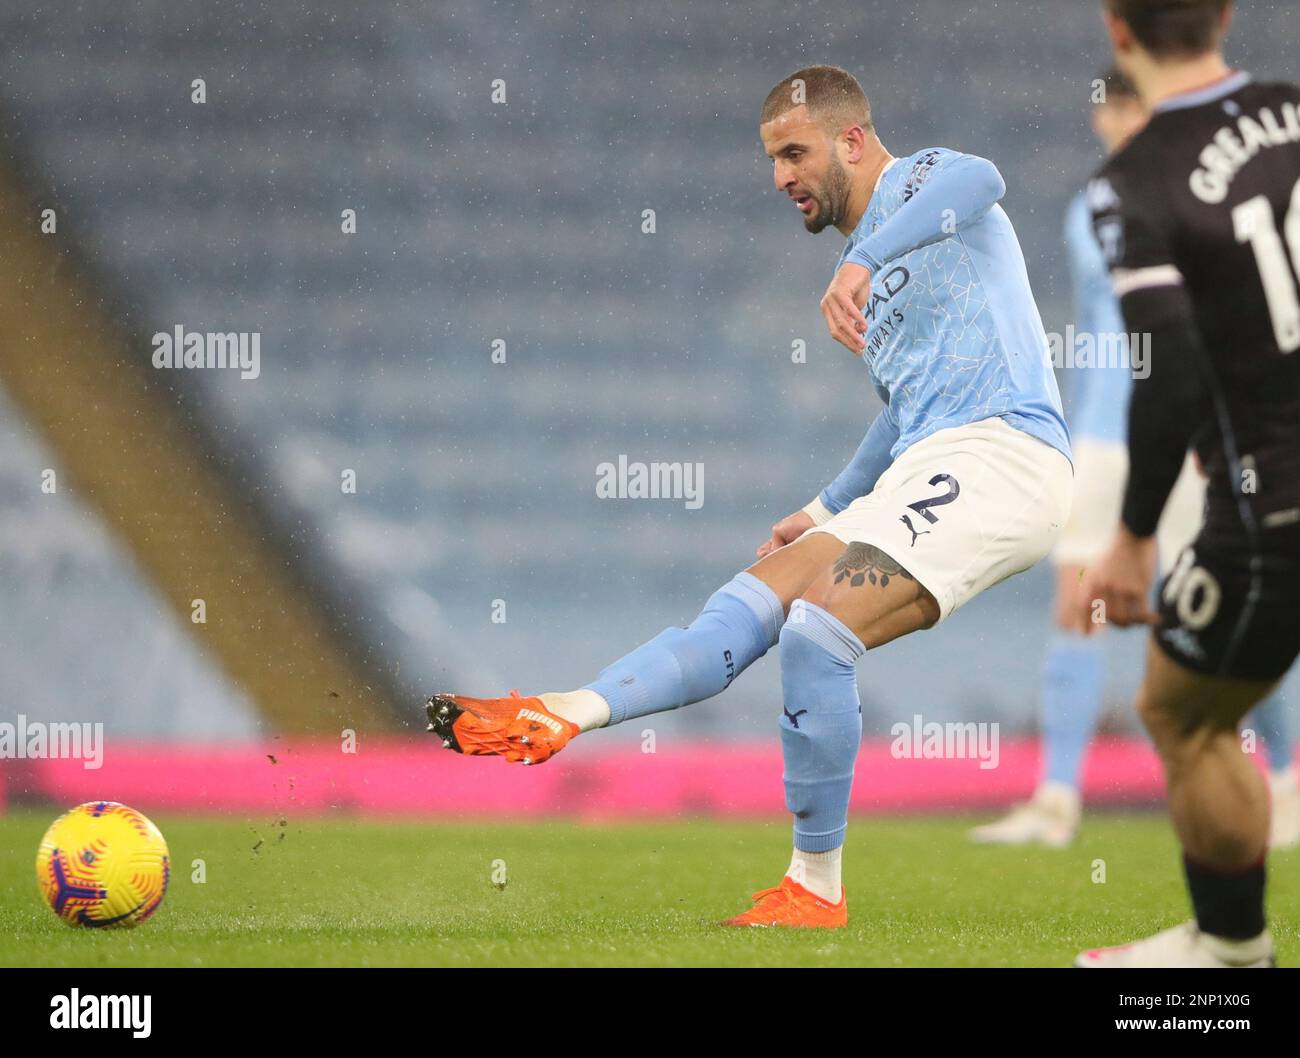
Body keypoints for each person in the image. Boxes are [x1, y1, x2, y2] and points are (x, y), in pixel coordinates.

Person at [428, 64, 1072, 928]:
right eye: (772, 161)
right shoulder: (859, 274)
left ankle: (815, 888)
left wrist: (869, 259)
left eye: (795, 154)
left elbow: (986, 179)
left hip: (1007, 452)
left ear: (852, 140)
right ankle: (566, 710)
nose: (781, 179)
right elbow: (903, 415)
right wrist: (824, 506)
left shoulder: (922, 183)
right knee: (744, 605)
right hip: (931, 459)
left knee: (819, 634)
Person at [1077, 0, 1300, 967]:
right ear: (1226, 12)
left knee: (1184, 711)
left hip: (1275, 499)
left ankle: (1231, 953)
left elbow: (1163, 374)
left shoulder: (1137, 179)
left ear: (1116, 27)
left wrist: (1130, 539)